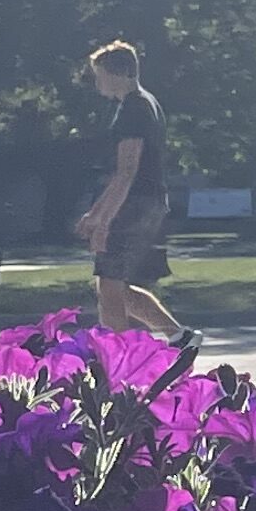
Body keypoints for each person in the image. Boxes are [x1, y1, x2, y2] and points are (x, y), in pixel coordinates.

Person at [79, 42, 184, 341]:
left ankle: (115, 355)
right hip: (146, 201)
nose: (98, 82)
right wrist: (95, 213)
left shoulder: (134, 108)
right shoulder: (144, 103)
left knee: (109, 286)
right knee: (115, 285)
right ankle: (179, 337)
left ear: (122, 72)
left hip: (135, 203)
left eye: (100, 75)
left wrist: (104, 222)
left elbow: (127, 172)